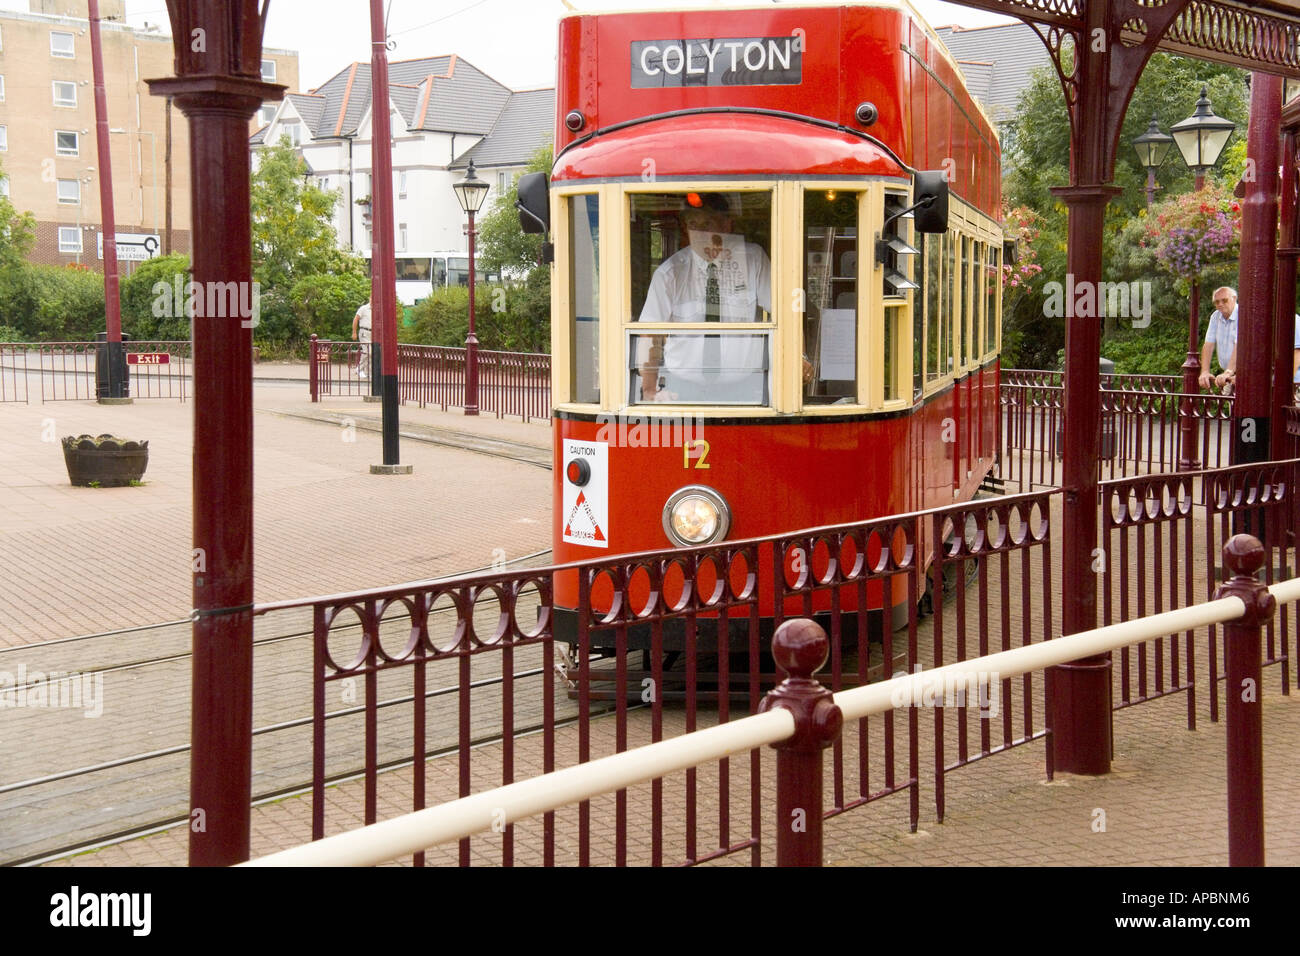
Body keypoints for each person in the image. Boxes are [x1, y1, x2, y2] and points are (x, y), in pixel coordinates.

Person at [635, 193, 774, 402]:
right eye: (693, 224)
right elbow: (648, 335)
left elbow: (785, 311)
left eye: (707, 223)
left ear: (726, 226)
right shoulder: (671, 273)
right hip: (683, 389)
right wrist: (649, 391)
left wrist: (798, 358)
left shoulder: (753, 261)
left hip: (745, 389)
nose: (700, 233)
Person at [1198, 286, 1237, 393]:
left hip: (1248, 374)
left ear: (1234, 298)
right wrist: (1204, 371)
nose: (1220, 304)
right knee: (1232, 407)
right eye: (1216, 302)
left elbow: (1240, 346)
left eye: (1224, 300)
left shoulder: (1242, 314)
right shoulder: (1216, 316)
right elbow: (1208, 344)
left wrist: (1228, 372)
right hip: (1229, 375)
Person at [351, 295, 372, 379]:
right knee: (368, 351)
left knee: (371, 353)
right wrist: (354, 332)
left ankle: (368, 371)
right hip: (364, 332)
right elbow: (356, 319)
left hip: (372, 333)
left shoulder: (377, 309)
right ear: (369, 298)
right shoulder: (363, 308)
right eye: (371, 298)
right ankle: (360, 369)